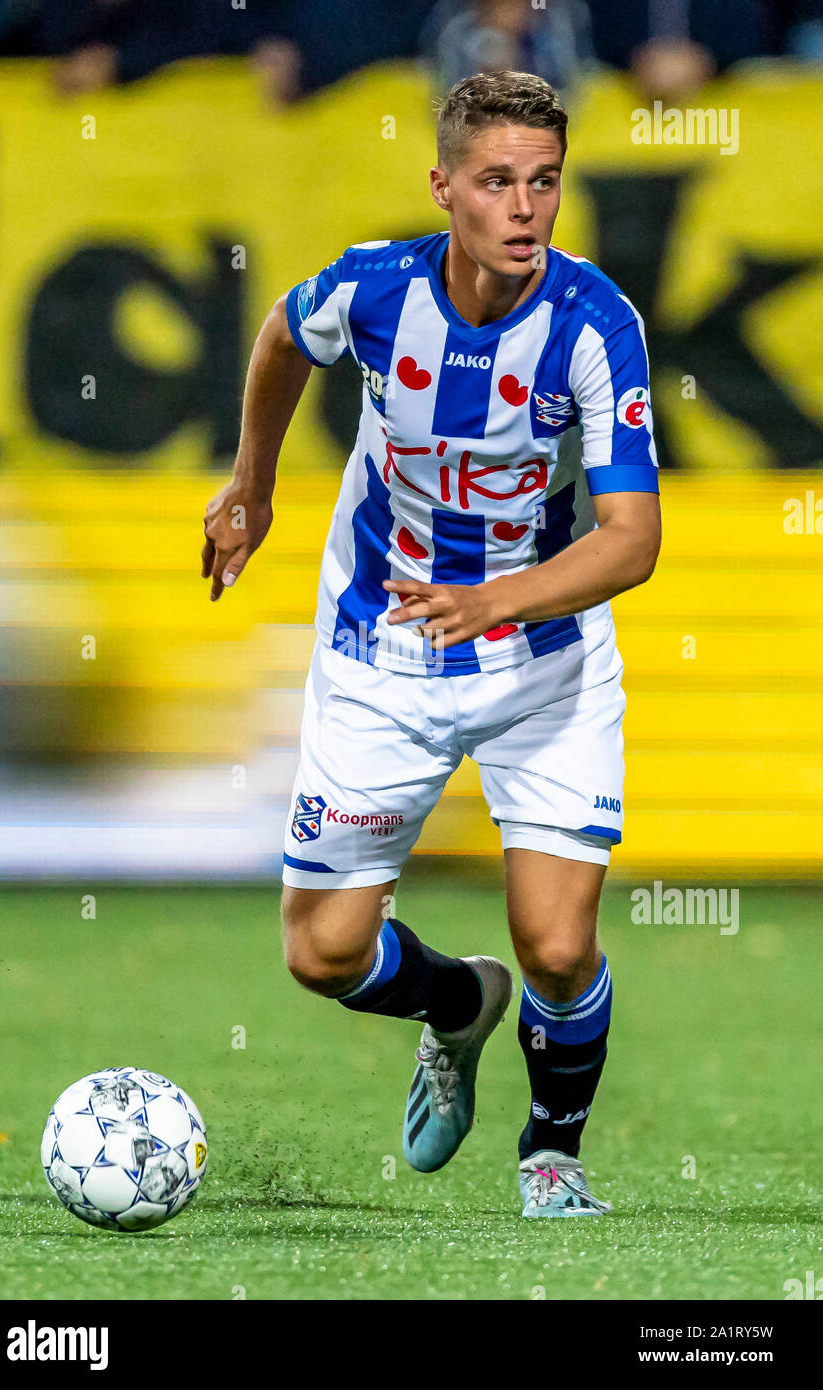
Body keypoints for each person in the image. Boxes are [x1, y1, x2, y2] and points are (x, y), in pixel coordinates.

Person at [202, 70, 661, 1217]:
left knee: (557, 945)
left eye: (544, 182)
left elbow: (632, 539)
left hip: (538, 665)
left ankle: (549, 1151)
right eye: (497, 181)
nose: (524, 209)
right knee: (320, 955)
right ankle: (455, 1004)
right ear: (443, 186)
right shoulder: (370, 292)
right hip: (377, 658)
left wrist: (501, 599)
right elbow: (278, 334)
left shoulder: (594, 324)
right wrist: (251, 482)